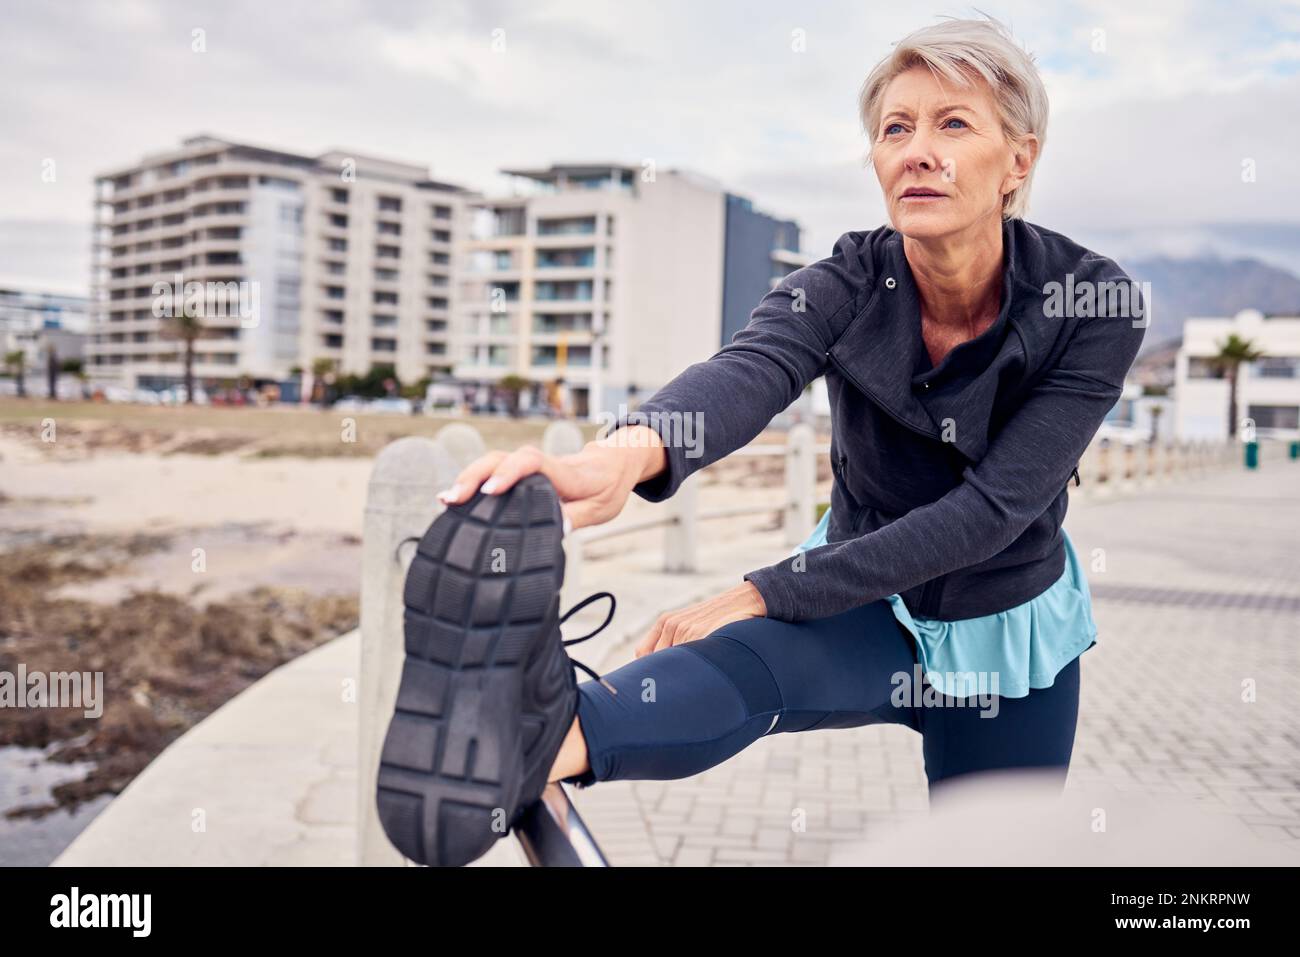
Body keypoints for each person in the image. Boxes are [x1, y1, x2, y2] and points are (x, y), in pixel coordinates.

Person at [377, 15, 1147, 867]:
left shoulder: (1090, 302)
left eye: (952, 123)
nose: (917, 151)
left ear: (1019, 159)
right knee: (742, 664)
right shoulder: (847, 282)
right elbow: (745, 373)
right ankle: (539, 740)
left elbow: (994, 510)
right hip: (868, 604)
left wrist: (767, 585)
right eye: (896, 128)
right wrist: (615, 458)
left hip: (1009, 628)